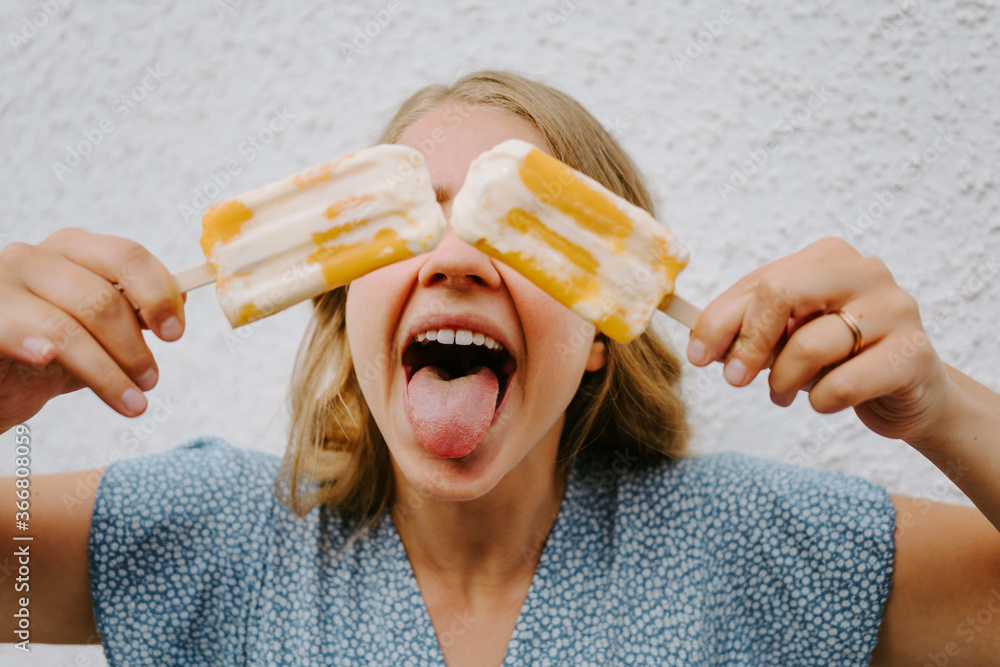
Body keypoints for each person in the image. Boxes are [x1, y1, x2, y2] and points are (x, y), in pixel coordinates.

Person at [2, 71, 999, 666]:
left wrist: (942, 408)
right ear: (342, 297)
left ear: (605, 323)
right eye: (410, 217)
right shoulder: (209, 536)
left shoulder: (751, 546)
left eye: (515, 228)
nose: (456, 258)